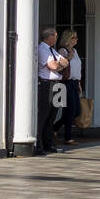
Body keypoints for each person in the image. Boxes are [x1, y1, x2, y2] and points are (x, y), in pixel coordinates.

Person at [35, 27, 67, 156]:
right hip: (46, 84)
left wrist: (60, 64)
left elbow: (65, 62)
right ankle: (39, 144)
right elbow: (54, 66)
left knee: (53, 116)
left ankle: (49, 144)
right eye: (55, 35)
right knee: (44, 114)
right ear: (49, 36)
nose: (57, 38)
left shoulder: (52, 50)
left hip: (57, 84)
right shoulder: (43, 49)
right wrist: (59, 65)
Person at [57, 29, 83, 143]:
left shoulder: (75, 51)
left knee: (76, 111)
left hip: (74, 82)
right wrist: (68, 58)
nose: (77, 39)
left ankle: (54, 128)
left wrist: (79, 83)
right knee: (70, 110)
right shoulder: (63, 50)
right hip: (66, 82)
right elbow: (59, 66)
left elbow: (77, 68)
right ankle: (68, 137)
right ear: (68, 39)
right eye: (74, 37)